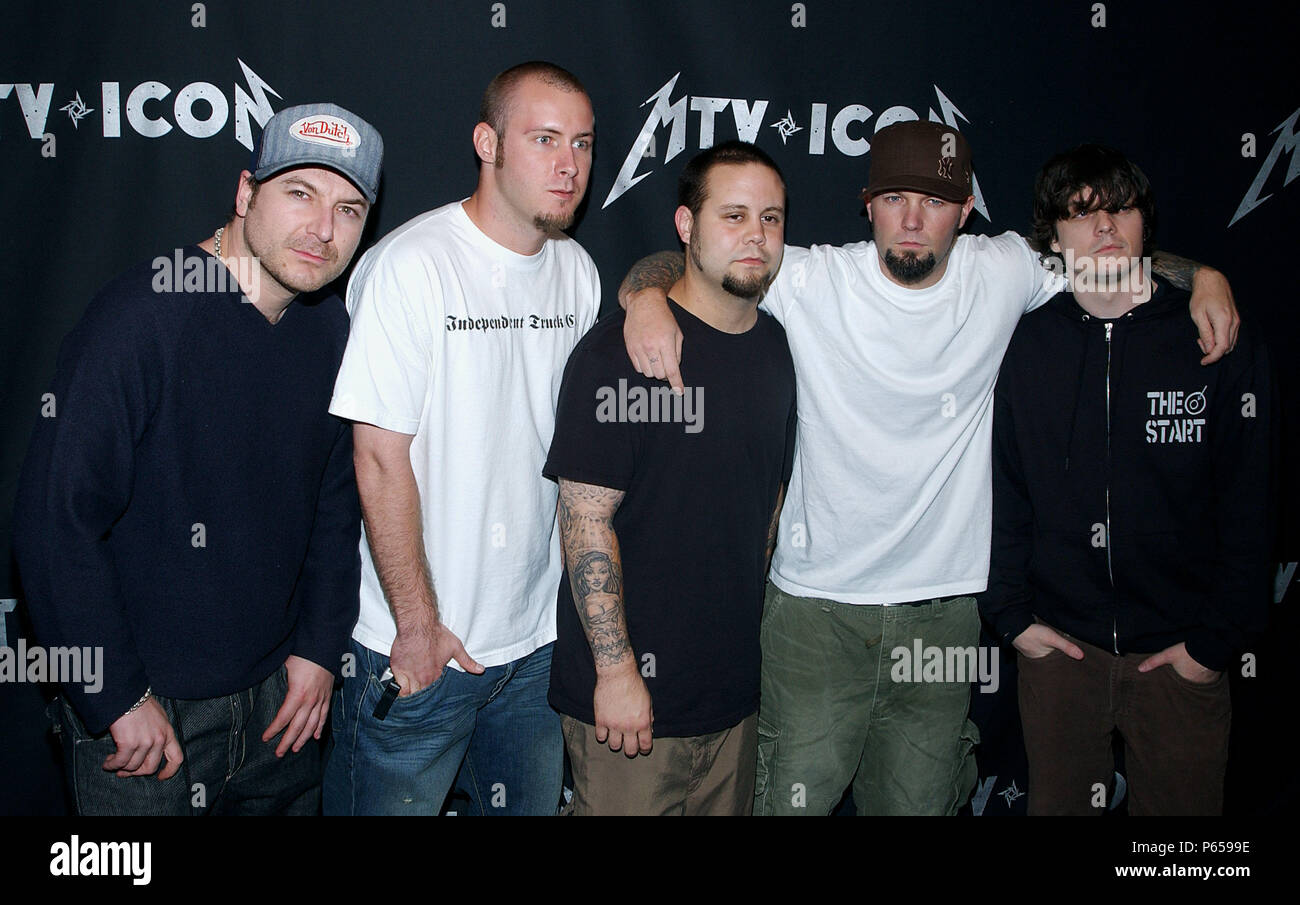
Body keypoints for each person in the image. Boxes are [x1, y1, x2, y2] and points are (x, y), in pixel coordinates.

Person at [619, 120, 1240, 816]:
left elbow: (1110, 254)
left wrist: (1204, 277)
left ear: (966, 211)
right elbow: (691, 262)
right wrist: (643, 298)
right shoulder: (812, 276)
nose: (913, 220)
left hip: (945, 615)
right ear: (868, 203)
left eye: (936, 202)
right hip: (816, 613)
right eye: (895, 198)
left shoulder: (1004, 269)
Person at [13, 102, 383, 815]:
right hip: (150, 722)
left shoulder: (330, 328)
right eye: (299, 194)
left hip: (280, 708)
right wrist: (114, 695)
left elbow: (337, 507)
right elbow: (54, 521)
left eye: (349, 207)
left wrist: (316, 647)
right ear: (246, 194)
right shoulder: (142, 317)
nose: (323, 229)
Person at [323, 61, 600, 816]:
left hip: (535, 654)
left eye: (581, 142)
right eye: (544, 139)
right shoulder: (410, 266)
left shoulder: (578, 272)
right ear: (488, 143)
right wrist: (417, 630)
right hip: (421, 655)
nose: (569, 163)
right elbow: (377, 455)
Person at [980, 144, 1272, 815]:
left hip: (1182, 653)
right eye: (1082, 214)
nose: (1106, 227)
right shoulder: (1024, 346)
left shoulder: (1216, 339)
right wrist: (1012, 615)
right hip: (1062, 654)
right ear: (1053, 239)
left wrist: (1214, 643)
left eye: (1121, 207)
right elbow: (1005, 488)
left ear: (1145, 222)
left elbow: (1252, 500)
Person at [546, 141, 797, 815]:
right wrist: (617, 670)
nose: (756, 235)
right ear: (686, 226)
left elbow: (765, 505)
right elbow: (585, 518)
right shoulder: (616, 355)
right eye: (734, 215)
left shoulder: (777, 349)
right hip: (631, 707)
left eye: (771, 218)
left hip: (734, 698)